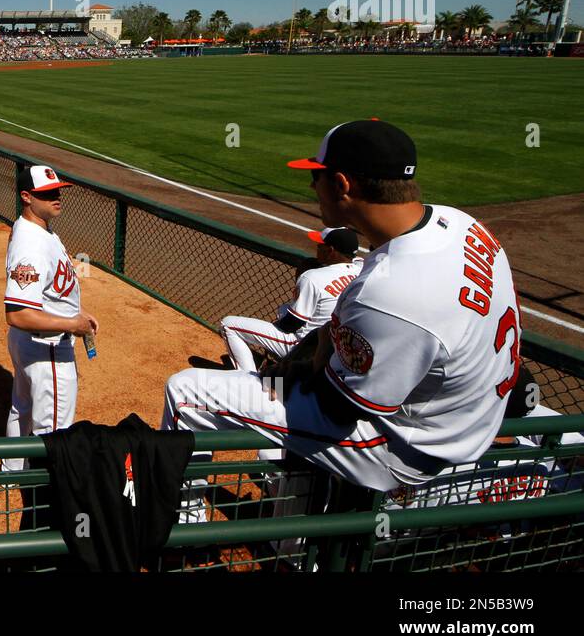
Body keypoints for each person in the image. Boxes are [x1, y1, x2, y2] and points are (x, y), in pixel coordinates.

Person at [161, 119, 521, 493]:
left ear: (341, 185)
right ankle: (292, 540)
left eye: (316, 175)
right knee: (286, 380)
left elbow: (337, 406)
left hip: (405, 451)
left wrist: (289, 374)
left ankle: (180, 526)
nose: (310, 186)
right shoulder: (464, 224)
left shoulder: (392, 291)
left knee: (186, 392)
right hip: (463, 421)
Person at [1, 164, 99, 472]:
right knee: (54, 430)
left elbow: (48, 291)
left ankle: (12, 471)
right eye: (47, 194)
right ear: (27, 197)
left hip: (31, 343)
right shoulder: (31, 244)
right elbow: (17, 313)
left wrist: (75, 312)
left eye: (58, 190)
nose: (56, 197)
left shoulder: (37, 227)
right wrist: (73, 324)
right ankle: (44, 499)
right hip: (47, 348)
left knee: (23, 407)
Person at [219, 227, 362, 373]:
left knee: (228, 325)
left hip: (302, 347)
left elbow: (290, 325)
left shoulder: (312, 277)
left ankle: (248, 379)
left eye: (320, 246)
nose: (317, 248)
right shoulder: (361, 270)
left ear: (330, 250)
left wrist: (280, 316)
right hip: (336, 348)